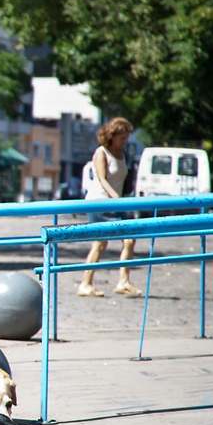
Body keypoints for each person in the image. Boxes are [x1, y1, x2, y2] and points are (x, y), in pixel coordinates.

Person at [77, 117, 141, 297]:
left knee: (129, 239)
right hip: (100, 201)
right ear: (112, 136)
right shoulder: (101, 153)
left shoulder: (122, 154)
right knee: (100, 243)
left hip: (117, 201)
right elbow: (102, 179)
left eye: (127, 137)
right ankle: (86, 283)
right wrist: (116, 198)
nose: (125, 141)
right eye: (122, 137)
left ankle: (123, 281)